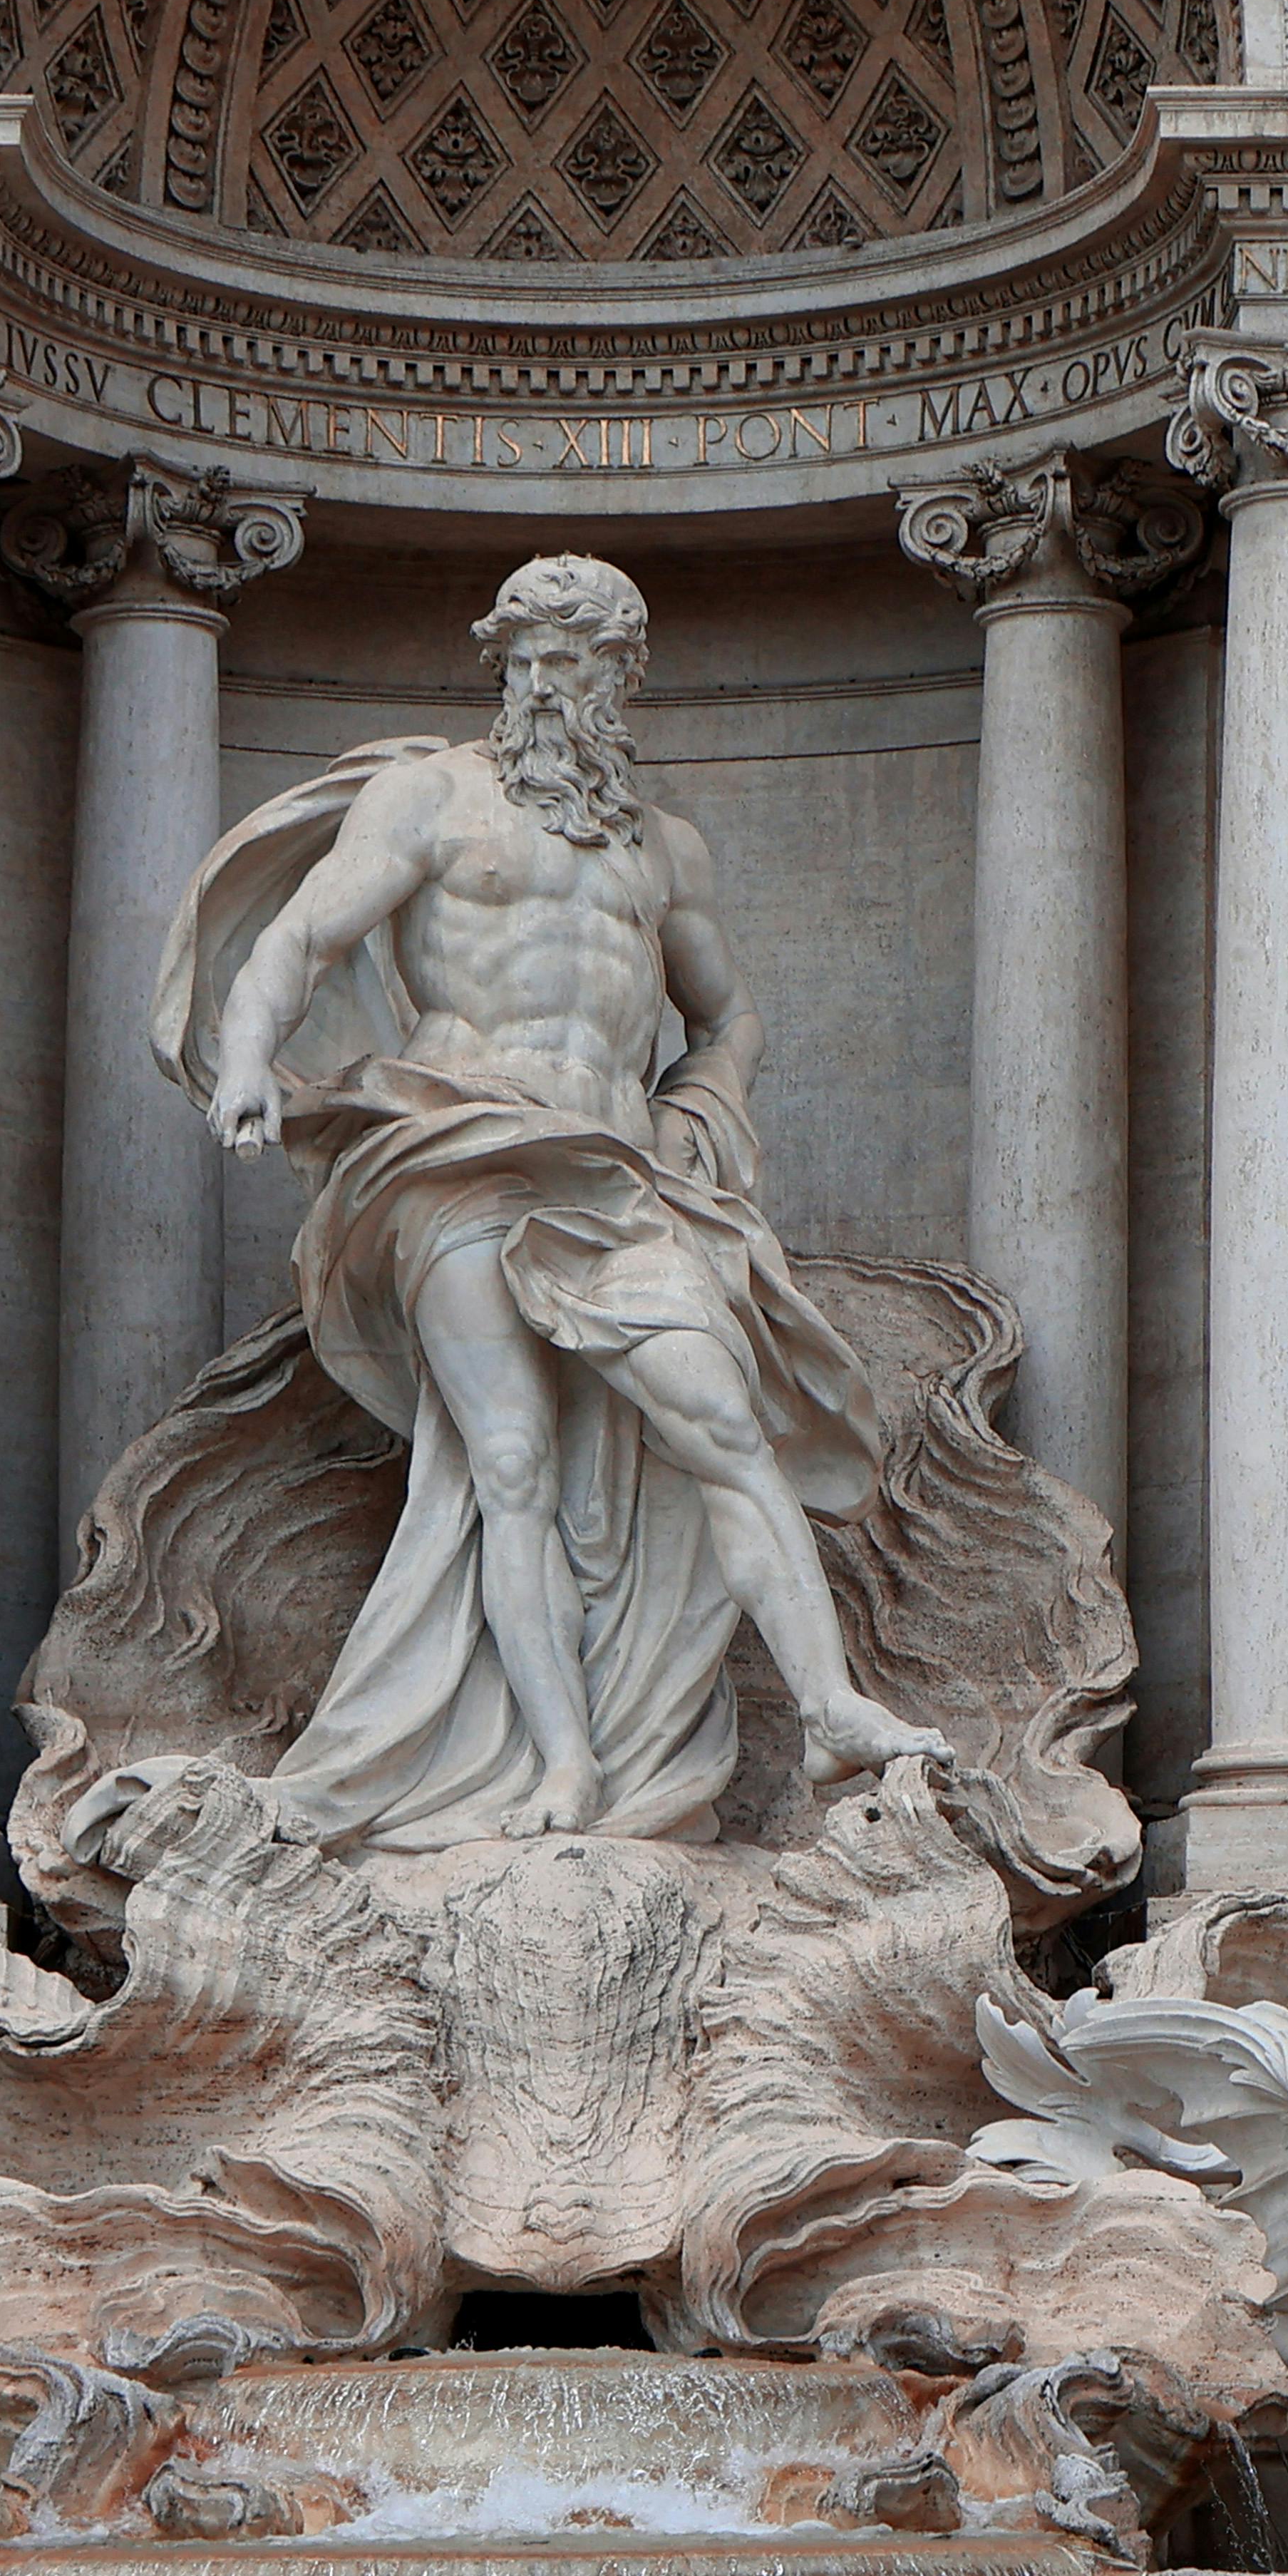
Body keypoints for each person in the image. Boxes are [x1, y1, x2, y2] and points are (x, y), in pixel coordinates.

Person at [168, 553, 948, 1852]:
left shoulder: (663, 849)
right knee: (511, 1464)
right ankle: (567, 1763)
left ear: (620, 679)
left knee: (722, 1415)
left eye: (569, 663)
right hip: (457, 1150)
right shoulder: (432, 799)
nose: (540, 685)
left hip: (615, 1172)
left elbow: (730, 1017)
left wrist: (701, 1105)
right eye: (521, 659)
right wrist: (249, 1055)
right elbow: (298, 941)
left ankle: (830, 1708)